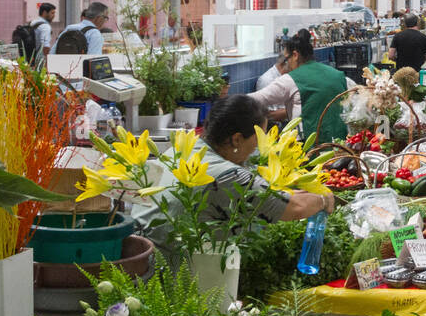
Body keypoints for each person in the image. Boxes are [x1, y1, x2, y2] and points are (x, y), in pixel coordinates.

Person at [130, 95, 335, 261]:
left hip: (143, 263)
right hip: (176, 277)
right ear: (236, 139)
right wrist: (324, 198)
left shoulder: (181, 151)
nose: (259, 147)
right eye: (260, 138)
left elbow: (265, 193)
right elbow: (294, 208)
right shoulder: (226, 175)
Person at [249, 33, 348, 144]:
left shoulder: (292, 79)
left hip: (310, 148)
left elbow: (255, 99)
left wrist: (227, 101)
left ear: (295, 55)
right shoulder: (338, 75)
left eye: (287, 59)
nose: (286, 64)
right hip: (340, 144)